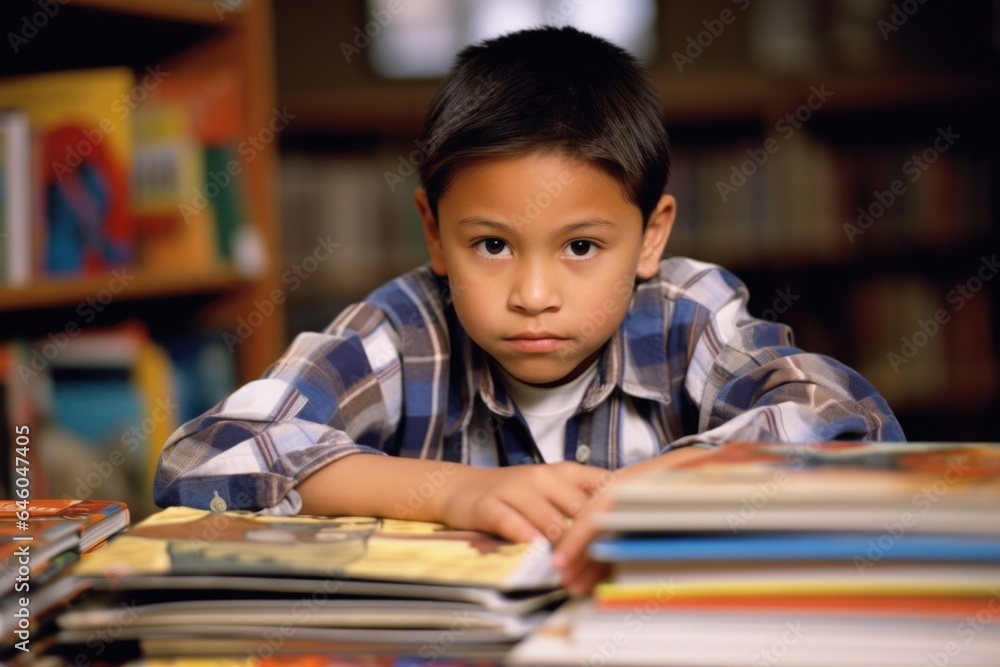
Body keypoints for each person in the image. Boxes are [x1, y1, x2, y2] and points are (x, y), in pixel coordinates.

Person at [154, 26, 904, 594]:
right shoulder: (407, 326)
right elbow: (204, 458)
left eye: (580, 246)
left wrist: (655, 490)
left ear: (651, 237)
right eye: (491, 245)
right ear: (433, 232)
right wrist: (454, 492)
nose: (534, 294)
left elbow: (844, 417)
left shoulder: (686, 315)